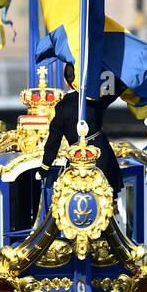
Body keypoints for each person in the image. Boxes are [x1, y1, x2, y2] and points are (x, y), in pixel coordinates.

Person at [40, 63, 124, 198]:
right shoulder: (96, 98)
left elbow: (54, 140)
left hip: (76, 160)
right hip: (102, 158)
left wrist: (45, 166)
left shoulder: (62, 106)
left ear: (67, 81)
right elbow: (118, 87)